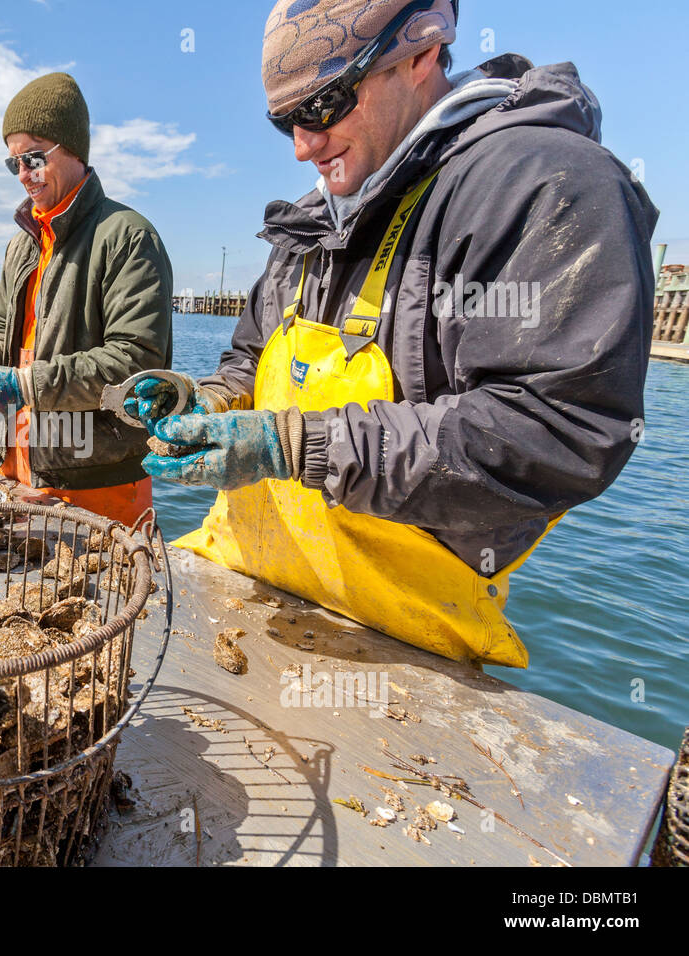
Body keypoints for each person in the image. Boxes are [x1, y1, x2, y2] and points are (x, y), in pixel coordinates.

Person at [124, 0, 658, 668]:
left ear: (423, 52)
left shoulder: (546, 183)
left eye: (323, 106)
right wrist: (207, 403)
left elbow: (556, 431)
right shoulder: (309, 221)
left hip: (398, 648)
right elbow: (251, 360)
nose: (303, 144)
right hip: (236, 588)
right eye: (285, 119)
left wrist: (295, 446)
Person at [0, 72, 173, 526]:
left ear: (74, 150)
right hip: (17, 470)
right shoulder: (22, 245)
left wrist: (21, 385)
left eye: (33, 158)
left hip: (100, 485)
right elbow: (0, 331)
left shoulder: (128, 237)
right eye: (14, 164)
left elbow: (135, 363)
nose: (24, 176)